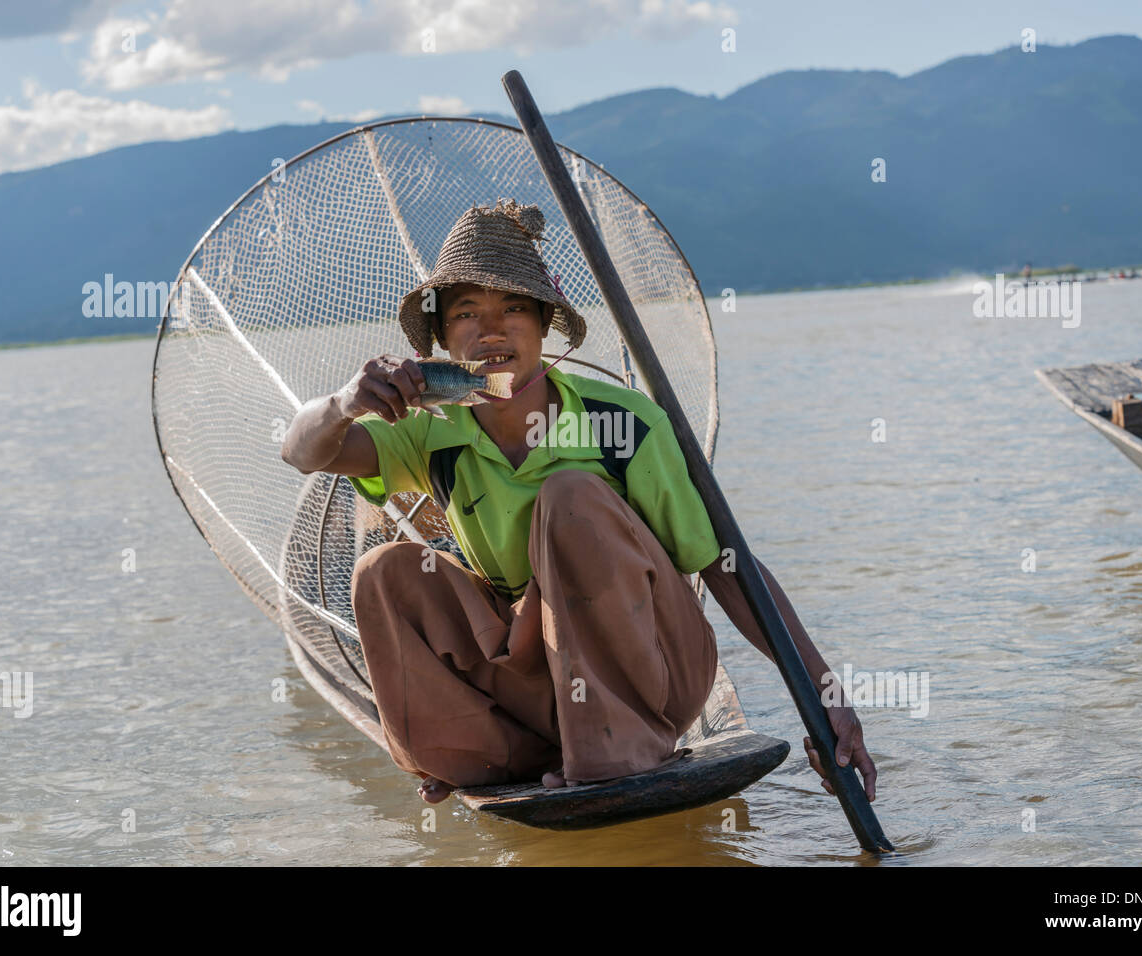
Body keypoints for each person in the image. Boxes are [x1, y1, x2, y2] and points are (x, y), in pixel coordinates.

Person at [281, 199, 877, 805]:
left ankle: (615, 748)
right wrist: (343, 403)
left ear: (543, 326)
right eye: (466, 313)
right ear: (441, 341)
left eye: (513, 308)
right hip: (537, 678)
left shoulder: (621, 423)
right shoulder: (431, 432)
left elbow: (724, 567)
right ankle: (492, 753)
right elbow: (301, 452)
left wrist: (825, 696)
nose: (491, 329)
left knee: (570, 497)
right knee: (385, 572)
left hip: (654, 667)